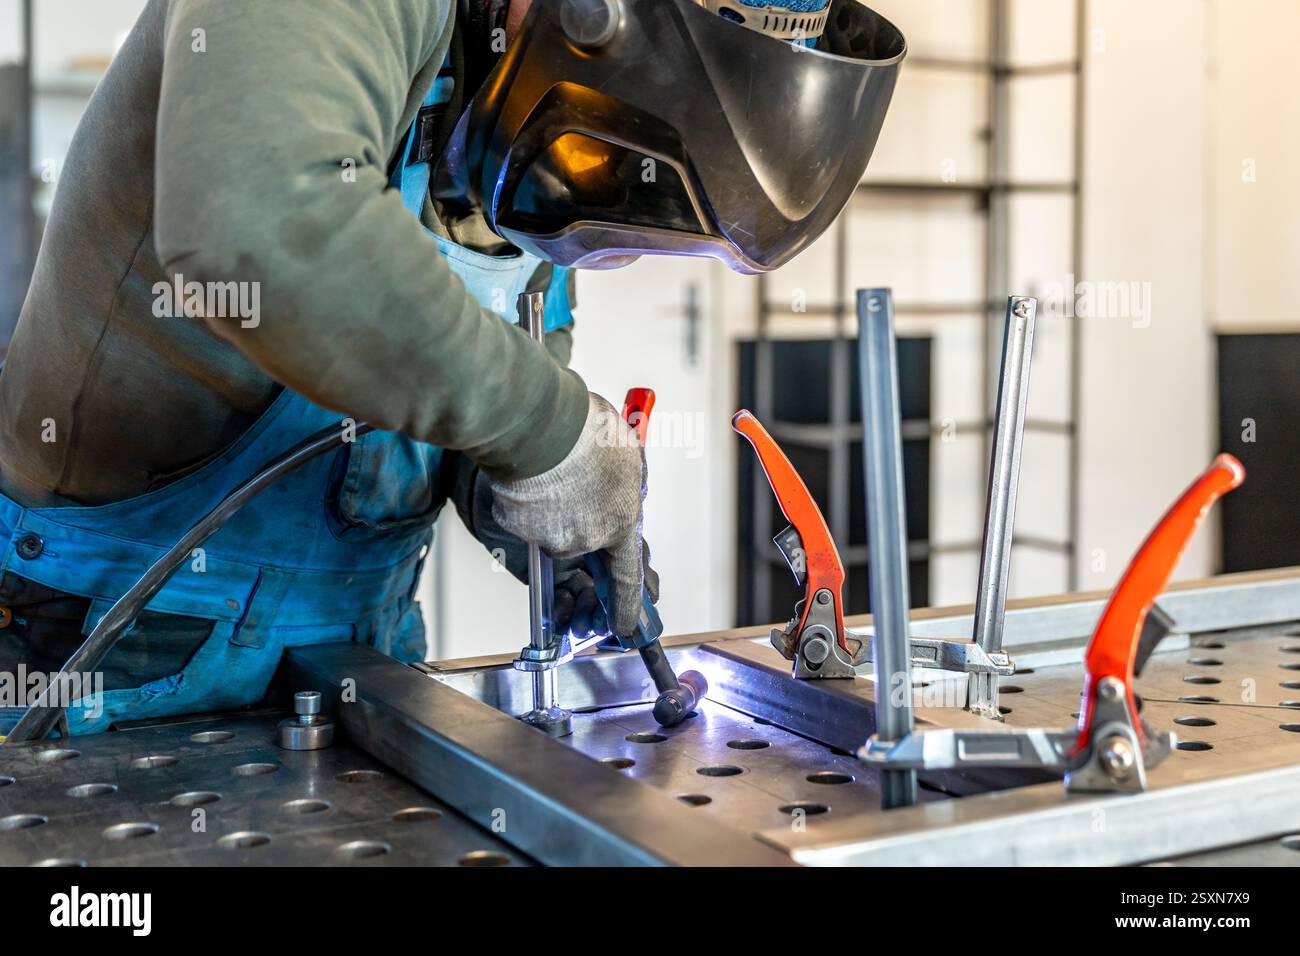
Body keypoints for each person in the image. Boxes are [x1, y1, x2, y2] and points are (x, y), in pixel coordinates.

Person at [0, 0, 902, 734]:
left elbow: (457, 407)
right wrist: (544, 428)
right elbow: (258, 225)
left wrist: (541, 520)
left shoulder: (520, 130)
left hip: (359, 667)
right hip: (92, 657)